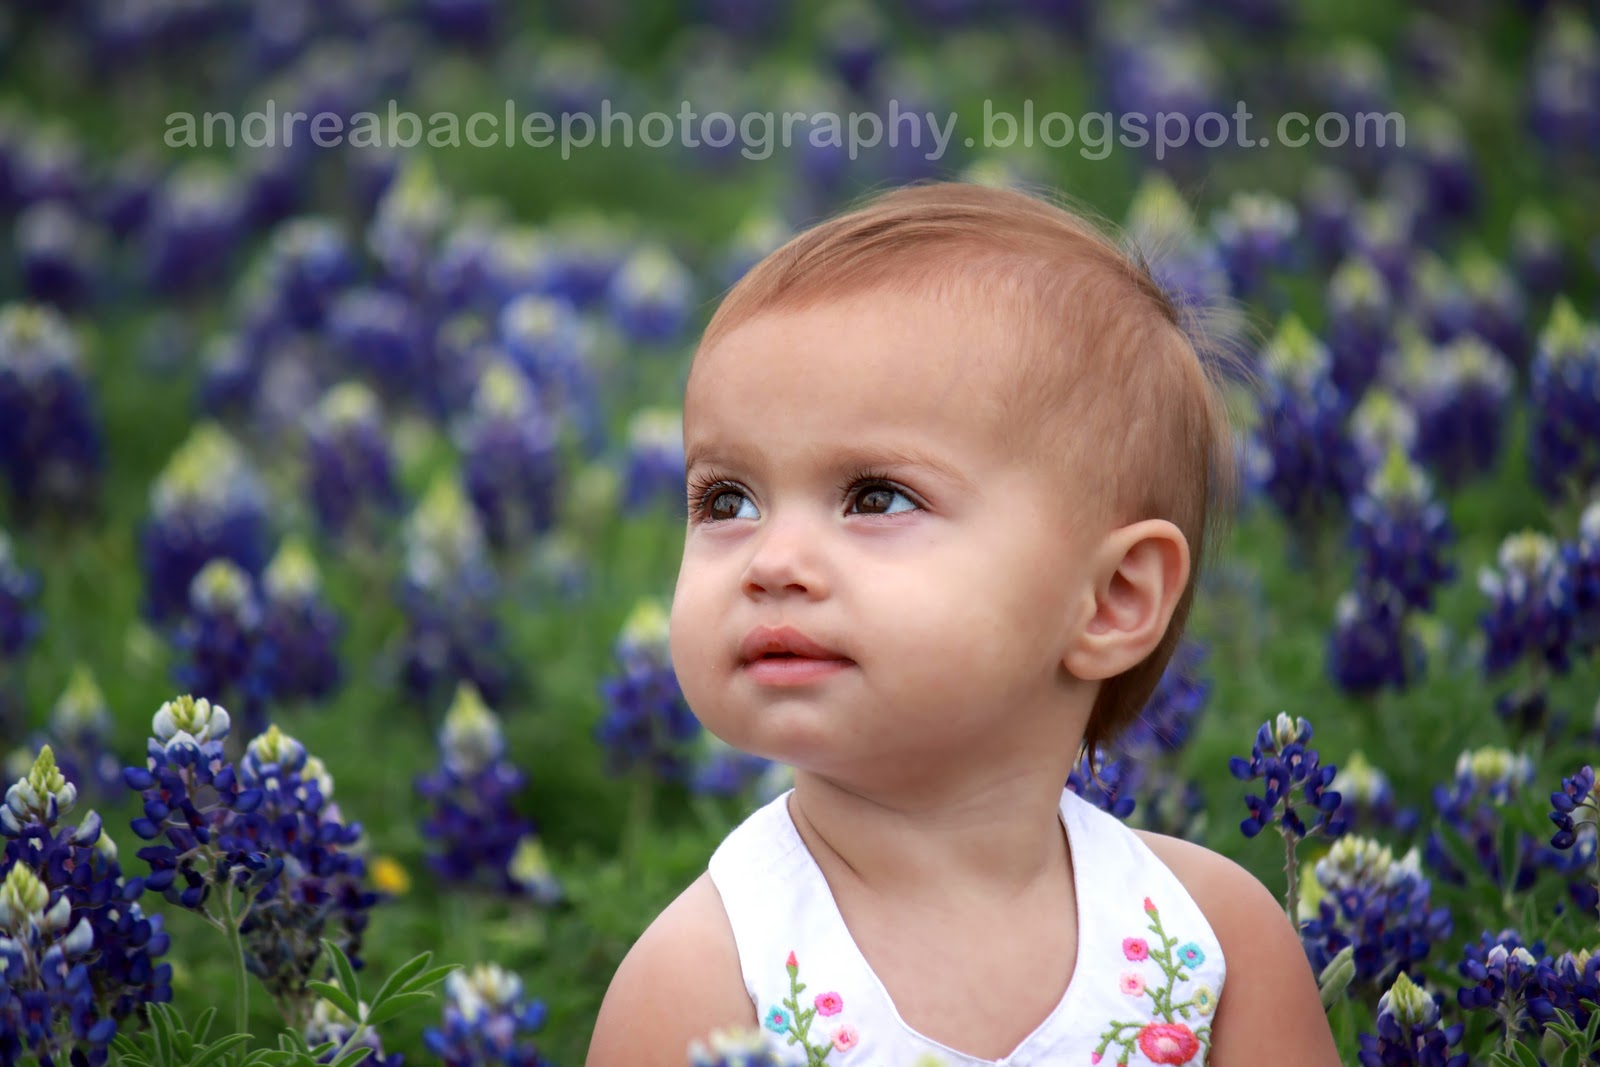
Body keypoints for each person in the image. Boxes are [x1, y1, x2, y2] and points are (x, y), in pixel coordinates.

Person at [587, 179, 1341, 1067]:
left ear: (1113, 600)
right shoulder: (707, 978)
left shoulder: (1213, 937)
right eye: (728, 499)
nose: (772, 559)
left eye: (876, 495)